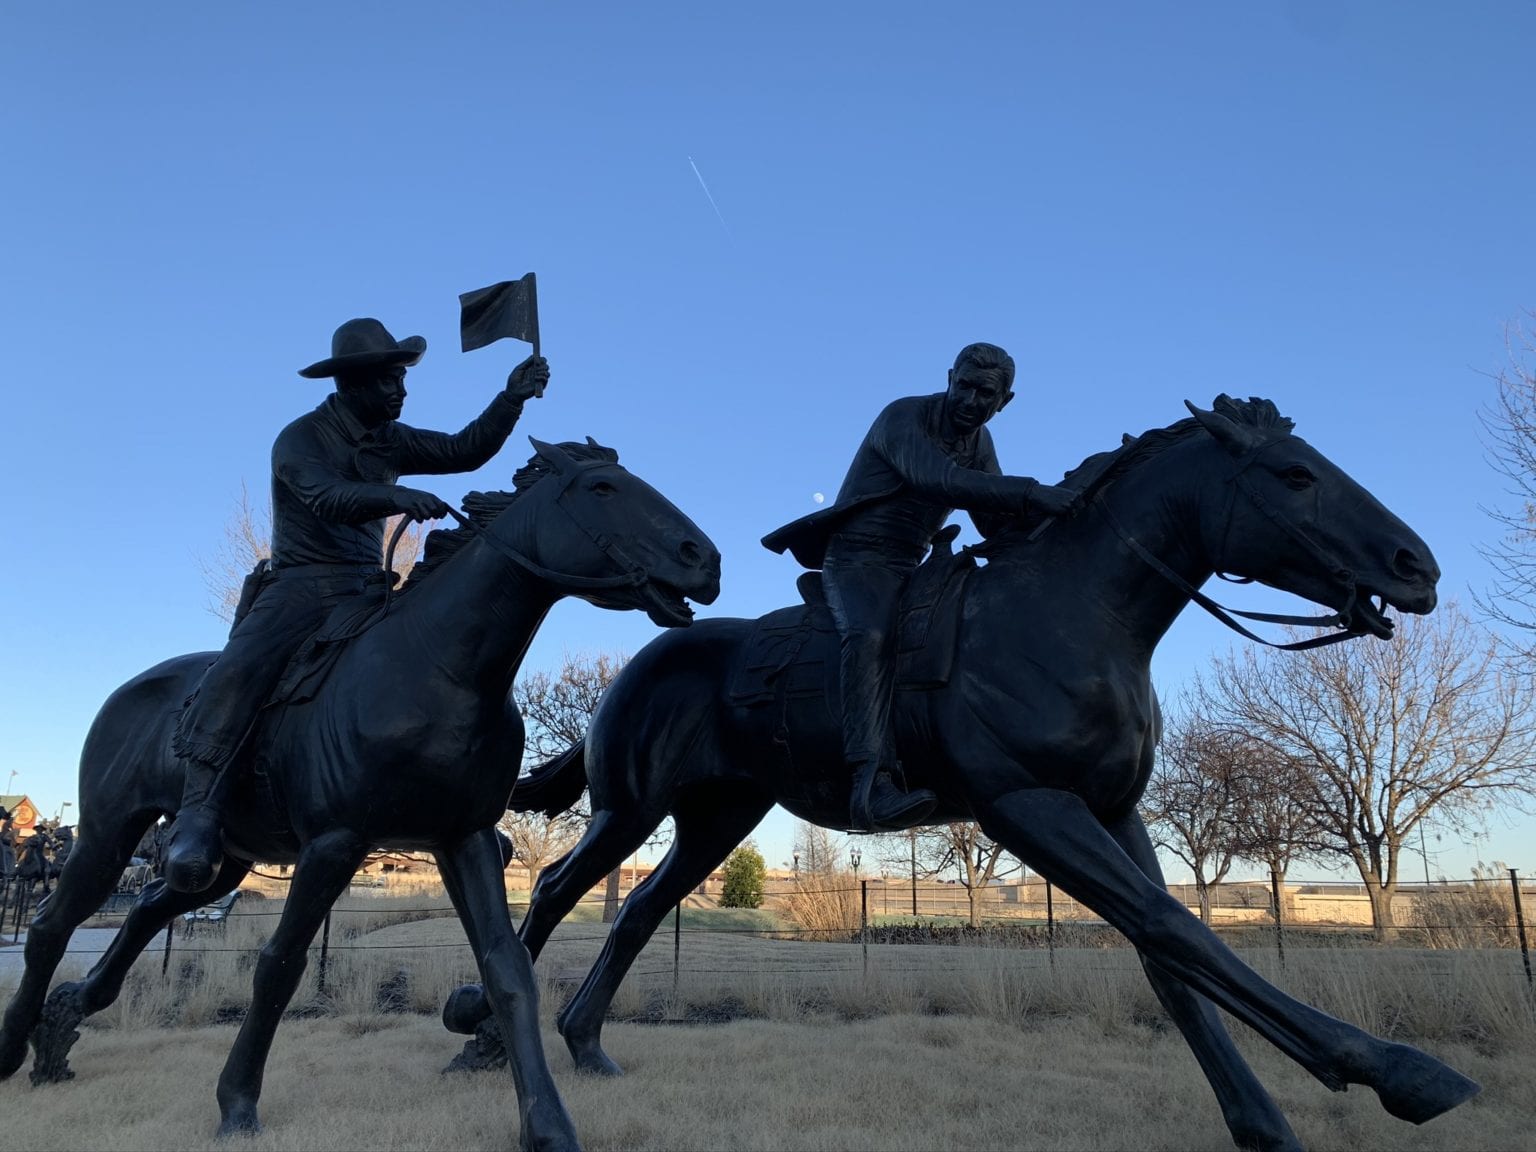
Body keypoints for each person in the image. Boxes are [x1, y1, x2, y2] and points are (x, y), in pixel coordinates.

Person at [164, 317, 548, 892]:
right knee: (241, 667)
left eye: (402, 379)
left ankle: (447, 806)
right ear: (353, 383)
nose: (402, 390)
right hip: (302, 586)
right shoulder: (301, 438)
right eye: (391, 380)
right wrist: (395, 494)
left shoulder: (391, 437)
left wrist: (511, 398)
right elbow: (325, 496)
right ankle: (198, 811)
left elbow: (463, 450)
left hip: (366, 587)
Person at [762, 342, 1080, 831]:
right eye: (965, 387)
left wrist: (1056, 528)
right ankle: (871, 780)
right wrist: (1032, 493)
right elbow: (937, 479)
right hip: (859, 558)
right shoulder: (902, 416)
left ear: (1005, 401)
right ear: (950, 377)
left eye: (986, 394)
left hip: (915, 563)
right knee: (869, 636)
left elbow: (991, 521)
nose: (972, 401)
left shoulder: (981, 442)